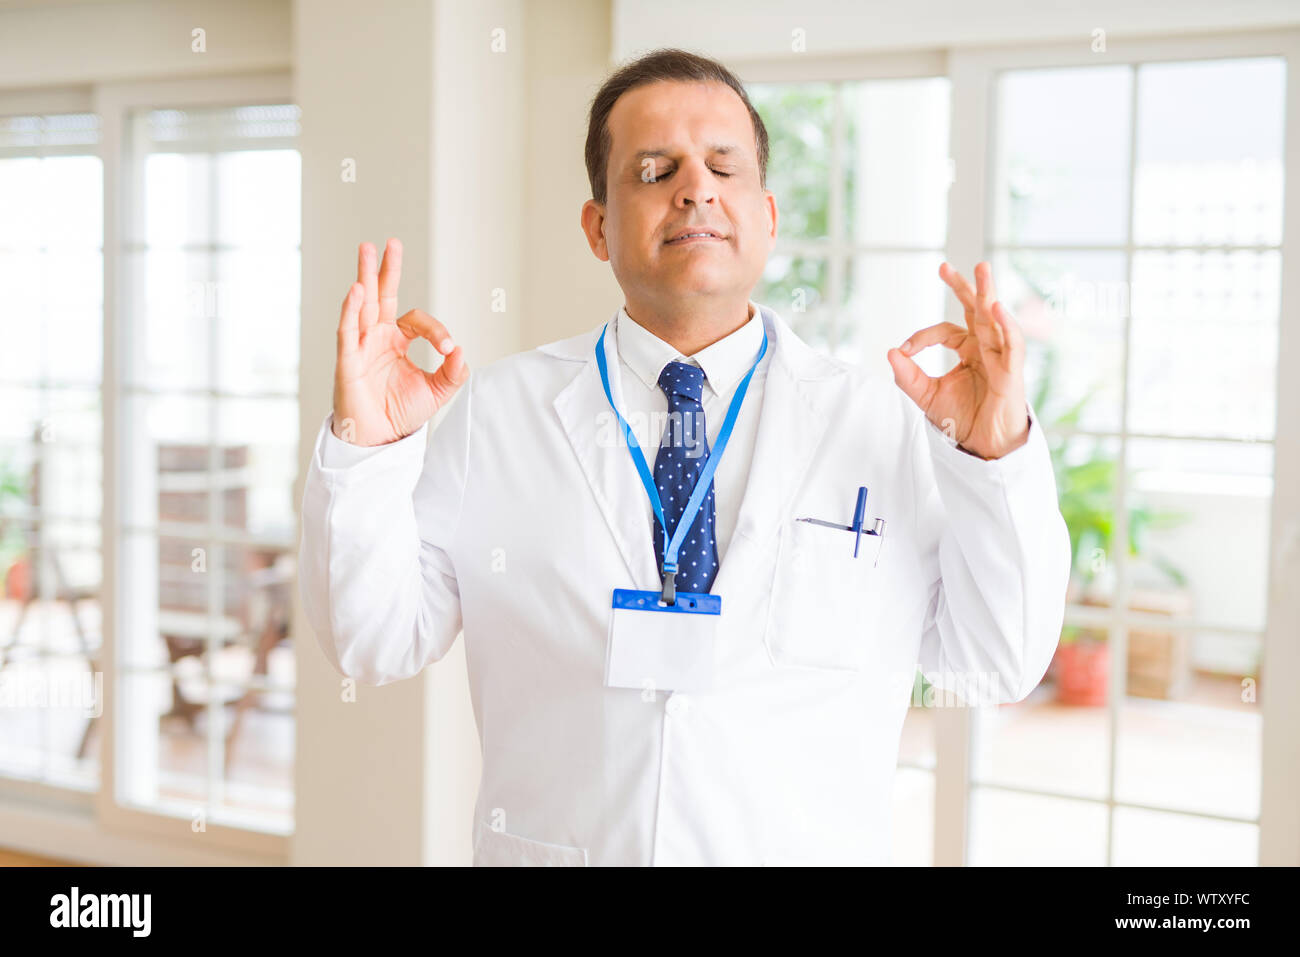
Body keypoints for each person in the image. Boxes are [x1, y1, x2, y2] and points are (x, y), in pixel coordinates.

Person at [298, 47, 1070, 866]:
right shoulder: (497, 412)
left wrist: (995, 454)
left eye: (722, 166)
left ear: (767, 216)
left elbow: (995, 659)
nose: (694, 187)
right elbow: (371, 641)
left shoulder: (881, 419)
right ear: (598, 227)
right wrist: (368, 450)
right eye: (654, 168)